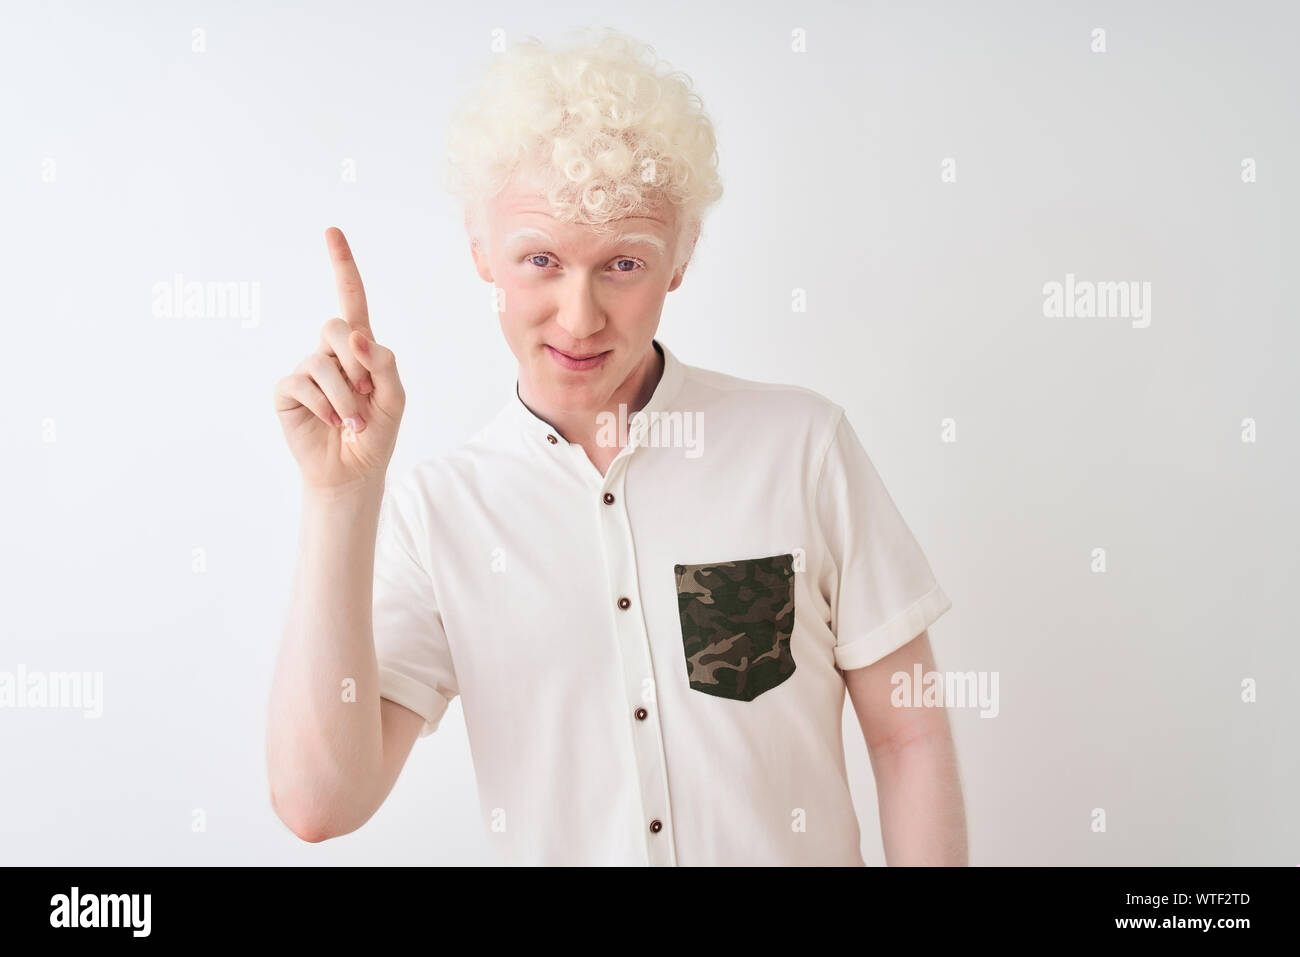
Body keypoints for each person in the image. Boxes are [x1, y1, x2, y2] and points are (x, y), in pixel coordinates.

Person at [267, 26, 967, 866]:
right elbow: (318, 802)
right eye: (540, 259)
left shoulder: (801, 447)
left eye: (623, 264)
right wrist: (340, 499)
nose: (579, 317)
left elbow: (909, 737)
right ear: (480, 249)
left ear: (681, 258)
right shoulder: (440, 513)